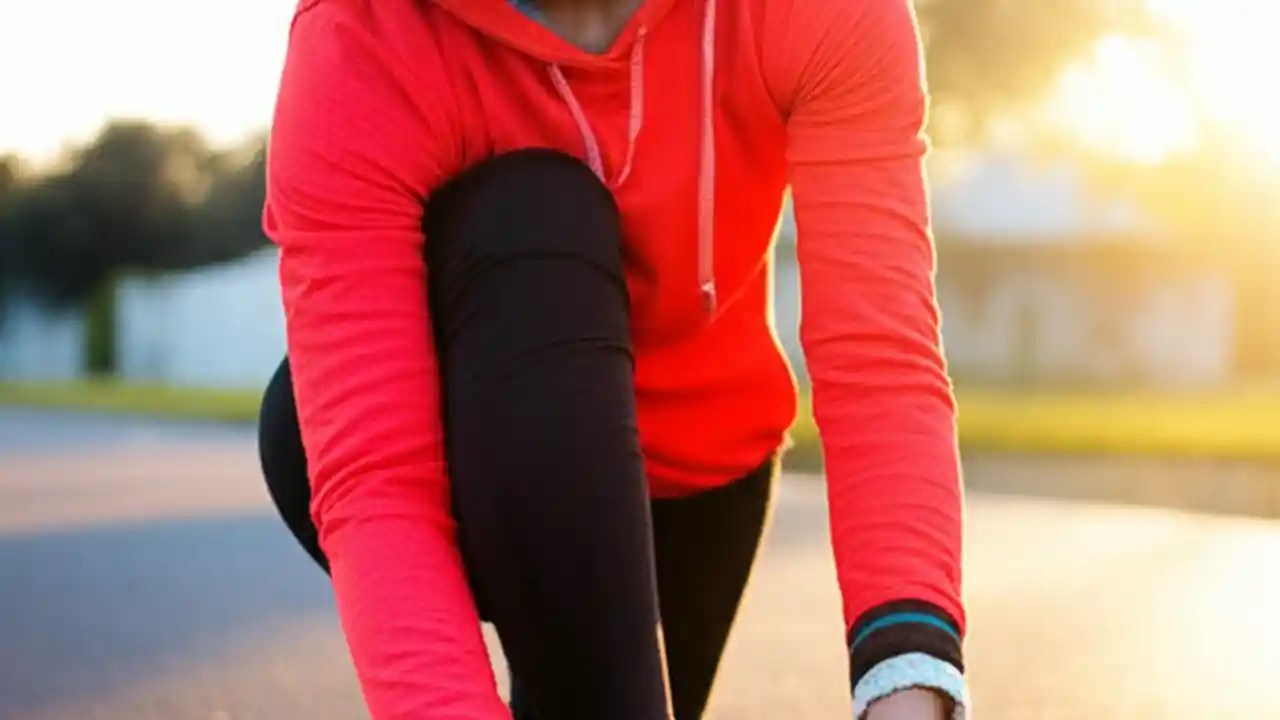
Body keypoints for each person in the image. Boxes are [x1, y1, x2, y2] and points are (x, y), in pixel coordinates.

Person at [256, 0, 968, 717]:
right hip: (478, 451)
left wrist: (910, 692)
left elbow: (879, 364)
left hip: (702, 470)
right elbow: (380, 476)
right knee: (533, 214)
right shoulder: (359, 42)